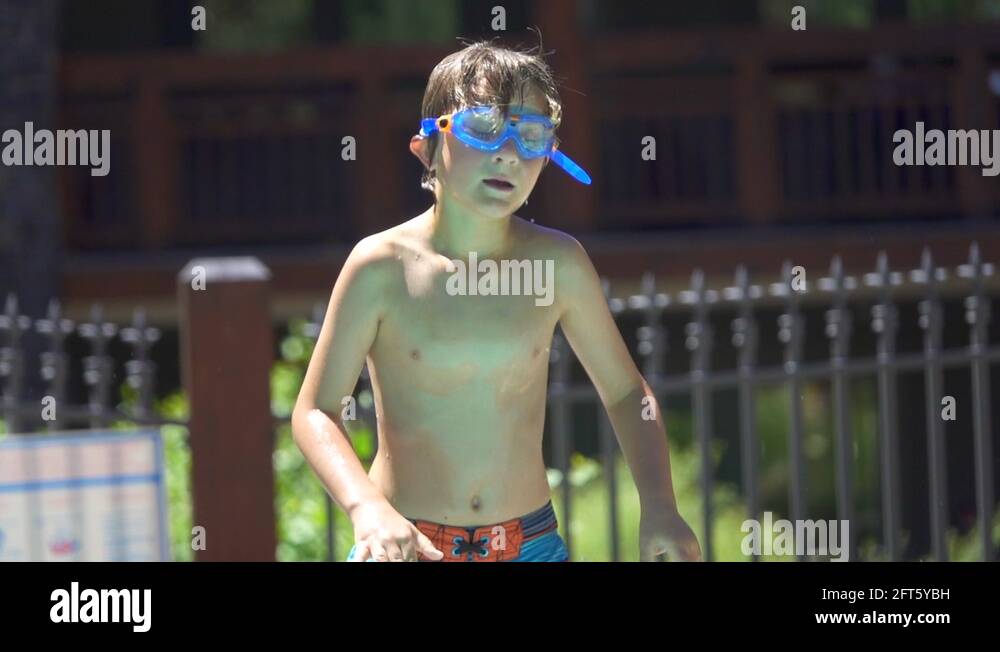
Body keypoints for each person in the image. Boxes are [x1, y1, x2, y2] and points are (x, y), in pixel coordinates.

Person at [292, 39, 700, 562]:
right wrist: (365, 507)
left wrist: (660, 505)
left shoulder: (558, 264)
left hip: (530, 544)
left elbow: (625, 393)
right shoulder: (380, 268)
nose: (507, 152)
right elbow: (316, 410)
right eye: (483, 128)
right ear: (427, 148)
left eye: (531, 135)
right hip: (407, 547)